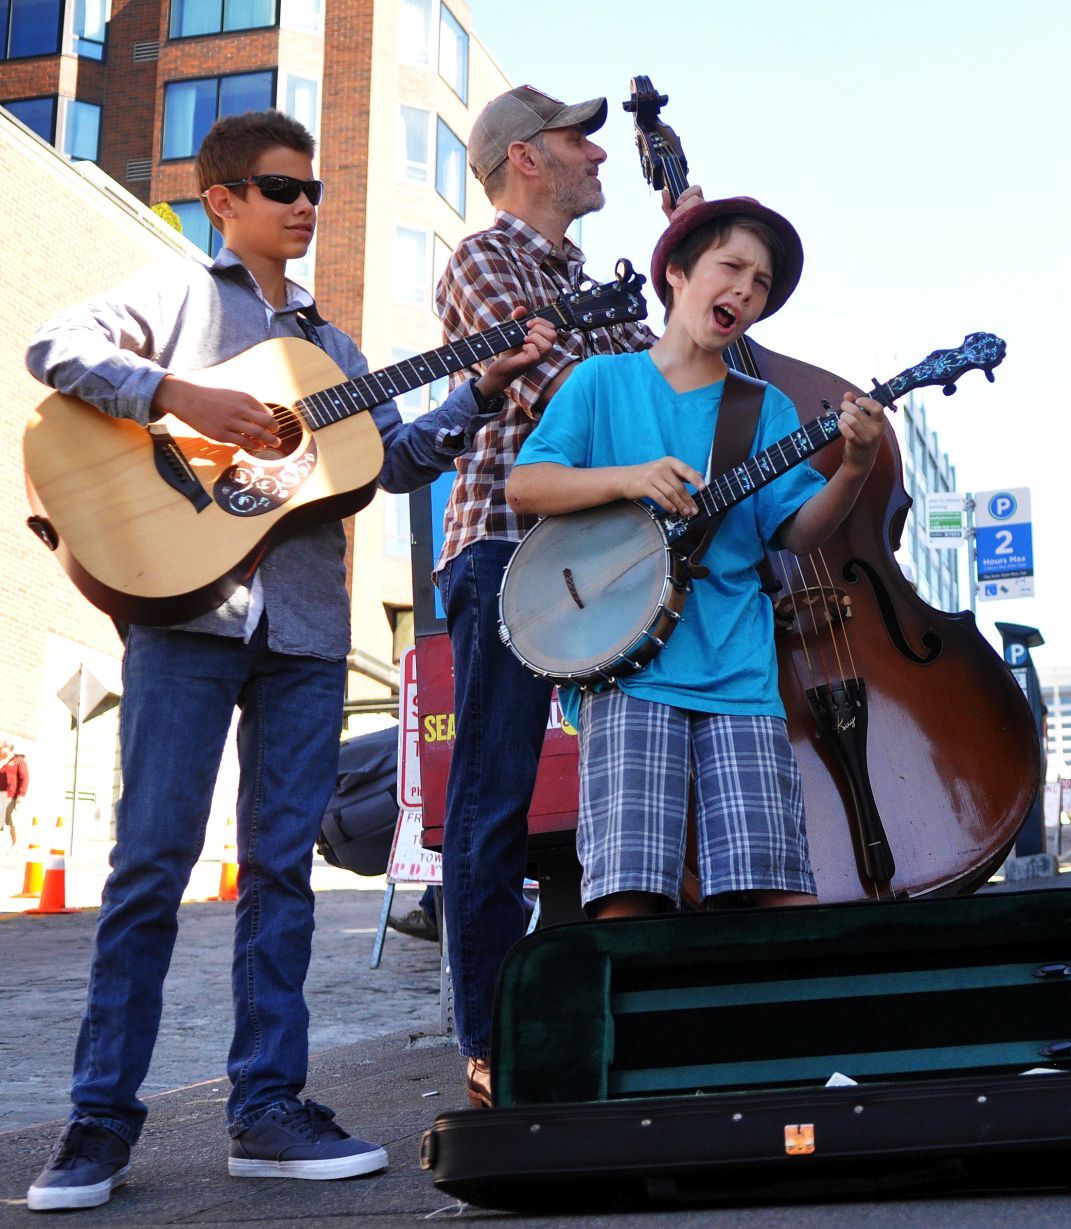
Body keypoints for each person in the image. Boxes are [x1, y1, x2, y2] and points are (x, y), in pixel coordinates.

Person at [22, 109, 553, 1212]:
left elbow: (390, 459)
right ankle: (99, 1119)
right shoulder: (177, 295)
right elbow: (53, 346)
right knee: (149, 865)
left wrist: (479, 391)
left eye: (312, 188)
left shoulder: (330, 350)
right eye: (281, 187)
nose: (305, 204)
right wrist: (180, 395)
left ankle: (268, 1107)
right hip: (188, 617)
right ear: (222, 200)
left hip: (305, 633)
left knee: (281, 874)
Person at [432, 84, 702, 1110]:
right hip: (508, 549)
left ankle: (620, 1013)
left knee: (630, 785)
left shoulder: (593, 283)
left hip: (601, 551)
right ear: (524, 157)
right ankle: (491, 1037)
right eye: (577, 139)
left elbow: (667, 393)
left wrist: (693, 267)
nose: (600, 154)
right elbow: (573, 404)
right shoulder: (483, 262)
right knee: (493, 794)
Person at [508, 197, 887, 922]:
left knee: (775, 886)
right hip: (627, 667)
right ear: (677, 273)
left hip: (739, 668)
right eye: (731, 267)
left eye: (761, 283)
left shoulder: (764, 407)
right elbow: (528, 484)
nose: (745, 290)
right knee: (628, 892)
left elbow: (797, 532)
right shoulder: (600, 382)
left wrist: (855, 465)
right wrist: (630, 477)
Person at [0, 738, 28, 846]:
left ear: (9, 748)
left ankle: (15, 843)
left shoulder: (18, 760)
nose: (0, 750)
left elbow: (25, 778)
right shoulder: (4, 761)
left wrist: (21, 794)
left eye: (2, 748)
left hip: (11, 796)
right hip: (2, 795)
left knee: (11, 820)